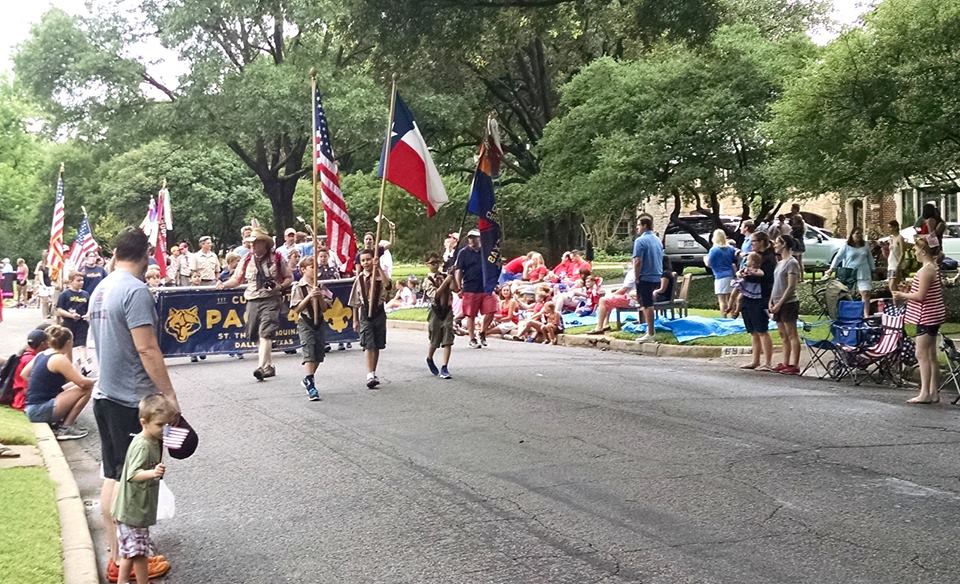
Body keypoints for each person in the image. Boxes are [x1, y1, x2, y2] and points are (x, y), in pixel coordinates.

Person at [88, 227, 180, 582]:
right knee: (131, 480)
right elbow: (147, 348)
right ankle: (128, 556)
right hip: (130, 399)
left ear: (116, 253)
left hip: (105, 394)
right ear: (145, 255)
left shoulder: (102, 287)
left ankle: (116, 554)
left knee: (113, 474)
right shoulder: (135, 290)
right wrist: (168, 396)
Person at [112, 394, 175, 584]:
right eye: (160, 425)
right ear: (143, 422)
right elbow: (133, 474)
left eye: (167, 424)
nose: (164, 429)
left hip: (136, 509)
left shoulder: (153, 440)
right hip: (133, 510)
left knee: (132, 552)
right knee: (137, 553)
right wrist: (152, 473)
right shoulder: (143, 445)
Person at [219, 227, 293, 381]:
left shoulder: (277, 258)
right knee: (255, 333)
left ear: (264, 243)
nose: (252, 245)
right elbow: (237, 280)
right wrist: (224, 284)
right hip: (252, 299)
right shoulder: (246, 259)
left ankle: (260, 367)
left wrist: (279, 286)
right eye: (251, 243)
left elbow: (289, 277)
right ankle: (269, 365)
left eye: (256, 242)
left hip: (271, 299)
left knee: (266, 332)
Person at [892, 237, 945, 404]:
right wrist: (909, 290)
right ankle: (933, 391)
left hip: (926, 316)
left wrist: (902, 294)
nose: (914, 253)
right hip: (933, 315)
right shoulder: (933, 267)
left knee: (921, 354)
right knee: (931, 354)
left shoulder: (925, 270)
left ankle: (925, 393)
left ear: (923, 251)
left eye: (915, 250)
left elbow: (920, 296)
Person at [22, 325, 96, 440]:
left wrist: (42, 385)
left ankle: (60, 422)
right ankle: (65, 428)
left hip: (31, 406)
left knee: (73, 385)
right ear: (68, 342)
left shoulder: (43, 354)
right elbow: (82, 383)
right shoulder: (59, 359)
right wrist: (98, 379)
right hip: (40, 410)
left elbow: (24, 374)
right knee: (87, 388)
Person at [349, 248, 394, 389]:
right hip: (365, 314)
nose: (366, 262)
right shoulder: (359, 279)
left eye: (368, 259)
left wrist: (378, 267)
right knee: (368, 344)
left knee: (377, 343)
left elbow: (388, 286)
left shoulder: (380, 276)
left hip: (378, 312)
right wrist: (355, 320)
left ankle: (373, 372)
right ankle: (369, 374)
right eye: (363, 260)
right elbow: (354, 301)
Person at [290, 257, 333, 401]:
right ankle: (311, 385)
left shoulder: (321, 286)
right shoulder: (298, 287)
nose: (315, 270)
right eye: (312, 267)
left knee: (318, 354)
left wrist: (319, 296)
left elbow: (325, 308)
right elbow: (296, 309)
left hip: (319, 321)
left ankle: (308, 378)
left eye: (316, 267)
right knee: (308, 351)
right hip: (306, 321)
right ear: (303, 270)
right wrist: (309, 296)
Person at [455, 229, 497, 348]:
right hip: (470, 287)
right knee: (471, 315)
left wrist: (494, 281)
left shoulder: (486, 251)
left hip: (486, 286)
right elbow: (459, 270)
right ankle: (472, 338)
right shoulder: (463, 253)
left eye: (475, 237)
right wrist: (459, 286)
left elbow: (494, 266)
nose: (472, 240)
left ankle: (482, 331)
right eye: (470, 238)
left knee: (492, 310)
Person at [770, 234, 802, 375]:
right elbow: (776, 284)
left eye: (777, 242)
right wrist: (771, 301)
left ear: (784, 244)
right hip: (776, 302)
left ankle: (795, 364)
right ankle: (785, 362)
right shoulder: (780, 263)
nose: (775, 245)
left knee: (792, 334)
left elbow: (791, 286)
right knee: (783, 334)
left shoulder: (792, 263)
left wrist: (780, 303)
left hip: (788, 303)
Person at [423, 253, 458, 379]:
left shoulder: (445, 276)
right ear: (427, 264)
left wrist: (452, 277)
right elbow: (435, 295)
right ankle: (429, 357)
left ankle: (445, 366)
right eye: (432, 263)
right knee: (434, 339)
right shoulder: (427, 280)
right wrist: (446, 282)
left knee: (448, 338)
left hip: (447, 310)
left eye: (437, 262)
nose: (436, 265)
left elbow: (455, 289)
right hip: (436, 311)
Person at [825, 227, 873, 318]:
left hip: (864, 272)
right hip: (850, 273)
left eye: (861, 233)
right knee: (848, 295)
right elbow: (838, 257)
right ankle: (850, 314)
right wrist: (832, 269)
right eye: (857, 233)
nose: (859, 235)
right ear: (852, 234)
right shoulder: (846, 245)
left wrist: (873, 268)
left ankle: (865, 314)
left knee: (866, 293)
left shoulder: (865, 245)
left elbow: (869, 257)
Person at [632, 216, 664, 343]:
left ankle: (650, 332)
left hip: (645, 276)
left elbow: (637, 261)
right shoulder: (657, 240)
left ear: (645, 225)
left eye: (638, 225)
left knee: (647, 304)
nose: (637, 228)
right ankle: (649, 329)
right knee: (648, 303)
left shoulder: (640, 241)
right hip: (657, 275)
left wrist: (636, 277)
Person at [586, 267, 637, 335]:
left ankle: (599, 327)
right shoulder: (641, 271)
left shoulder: (633, 273)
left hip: (631, 299)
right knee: (608, 300)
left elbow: (624, 289)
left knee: (603, 300)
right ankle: (605, 324)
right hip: (633, 298)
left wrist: (612, 295)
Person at [56, 272, 90, 366]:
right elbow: (59, 309)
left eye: (82, 280)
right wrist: (70, 315)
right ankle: (68, 363)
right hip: (69, 323)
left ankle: (83, 363)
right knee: (68, 344)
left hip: (82, 323)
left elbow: (89, 308)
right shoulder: (65, 294)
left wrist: (87, 315)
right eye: (78, 280)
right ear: (71, 281)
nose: (81, 282)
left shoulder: (86, 294)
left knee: (81, 344)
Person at [11, 329, 50, 411]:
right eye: (48, 342)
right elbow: (29, 385)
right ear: (42, 344)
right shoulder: (30, 360)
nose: (49, 345)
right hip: (25, 400)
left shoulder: (27, 355)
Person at [704, 229, 737, 317]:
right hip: (730, 275)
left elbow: (708, 263)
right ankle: (733, 316)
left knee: (722, 300)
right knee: (730, 299)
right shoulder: (730, 249)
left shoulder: (714, 250)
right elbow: (734, 259)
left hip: (720, 276)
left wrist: (705, 259)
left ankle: (724, 317)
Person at [886, 220, 905, 292]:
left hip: (896, 265)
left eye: (890, 227)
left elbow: (902, 252)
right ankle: (897, 298)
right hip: (890, 264)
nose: (889, 229)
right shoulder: (891, 238)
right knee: (892, 286)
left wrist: (898, 265)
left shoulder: (900, 238)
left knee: (892, 286)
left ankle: (897, 299)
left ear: (895, 227)